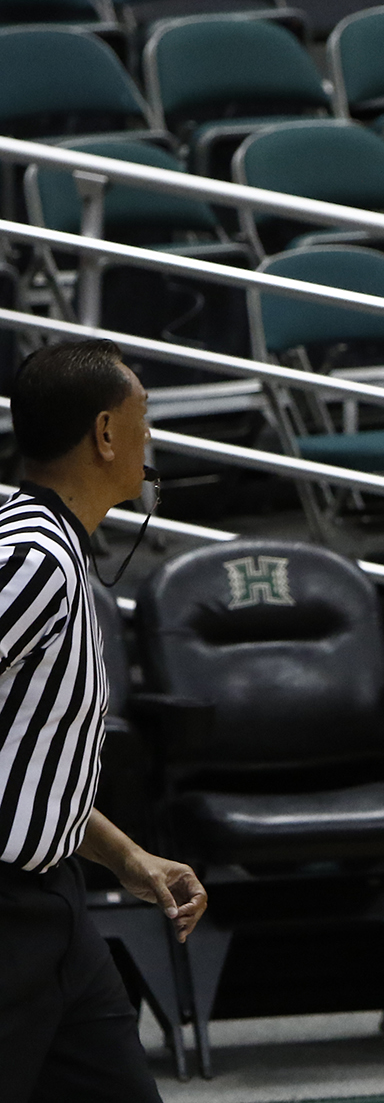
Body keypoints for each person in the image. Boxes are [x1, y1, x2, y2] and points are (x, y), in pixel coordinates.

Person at [1, 340, 207, 1102]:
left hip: (53, 907)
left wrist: (126, 857)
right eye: (142, 416)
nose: (149, 437)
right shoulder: (33, 560)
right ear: (106, 434)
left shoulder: (40, 538)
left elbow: (22, 760)